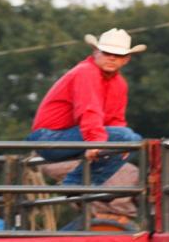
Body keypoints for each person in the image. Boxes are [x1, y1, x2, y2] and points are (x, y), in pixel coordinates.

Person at [26, 27, 146, 188]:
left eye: (118, 55)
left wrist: (120, 145)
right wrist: (96, 142)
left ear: (126, 59)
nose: (112, 58)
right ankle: (77, 184)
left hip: (71, 137)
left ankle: (85, 184)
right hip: (48, 138)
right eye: (106, 53)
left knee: (131, 140)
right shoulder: (86, 72)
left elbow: (115, 120)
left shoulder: (119, 83)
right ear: (96, 52)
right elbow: (89, 110)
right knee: (128, 138)